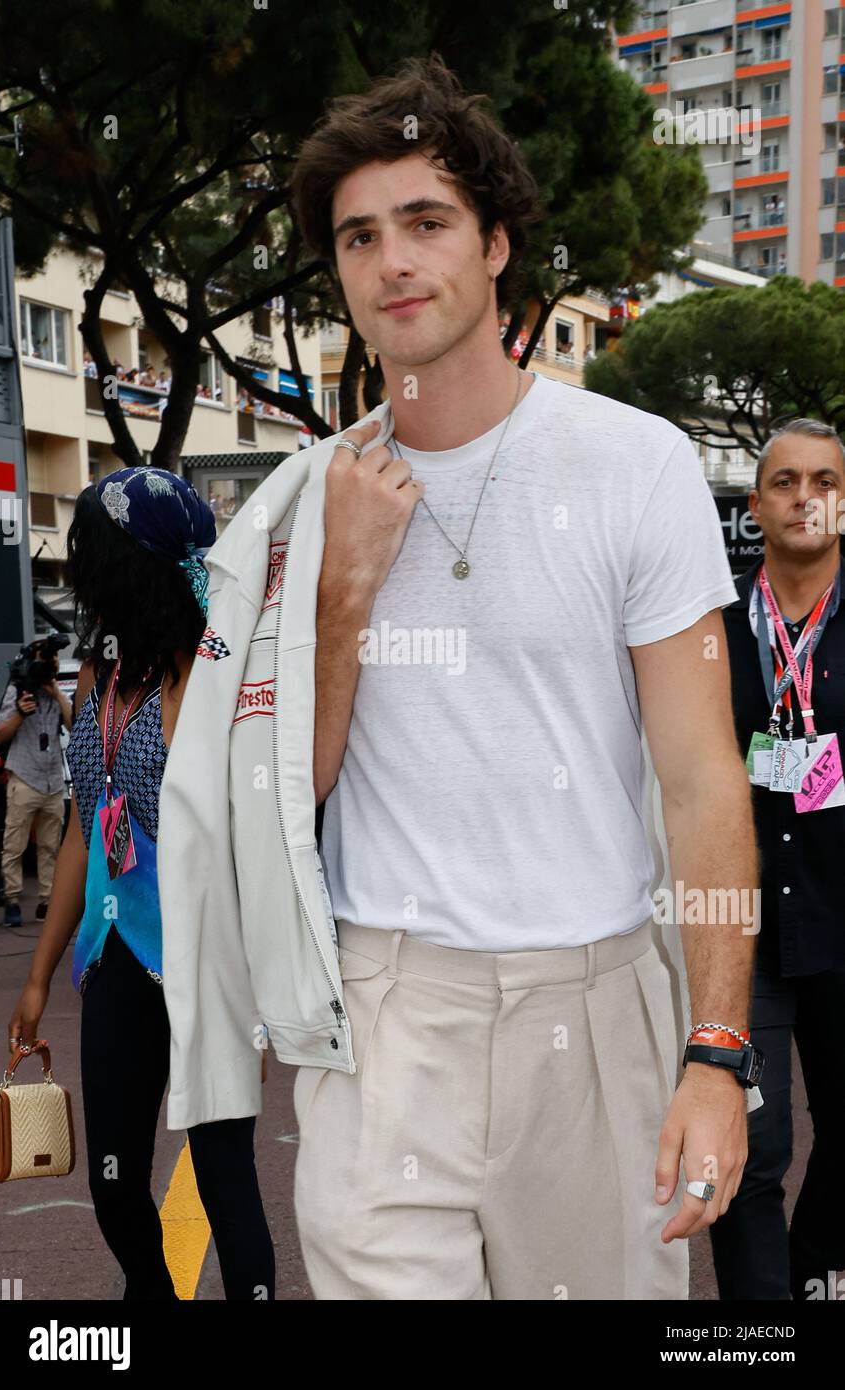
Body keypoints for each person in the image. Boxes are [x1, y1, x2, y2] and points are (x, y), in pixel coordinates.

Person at [281, 53, 760, 1299]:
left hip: (594, 1008)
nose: (391, 262)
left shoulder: (632, 465)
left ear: (494, 245)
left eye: (426, 223)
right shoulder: (309, 501)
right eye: (358, 236)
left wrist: (716, 1052)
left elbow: (704, 782)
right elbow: (291, 789)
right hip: (384, 1014)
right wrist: (341, 599)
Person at [7, 467, 275, 1302]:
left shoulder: (205, 670)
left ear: (135, 562)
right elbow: (89, 824)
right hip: (110, 955)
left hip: (200, 955)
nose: (81, 566)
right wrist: (40, 973)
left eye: (94, 548)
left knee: (225, 1173)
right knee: (115, 1184)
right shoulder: (99, 675)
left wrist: (255, 989)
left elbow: (248, 834)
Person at [712, 418, 845, 1301]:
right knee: (749, 1156)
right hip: (742, 928)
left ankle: (807, 1280)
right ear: (756, 505)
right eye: (787, 481)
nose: (807, 496)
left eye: (826, 481)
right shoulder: (713, 630)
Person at [0, 644, 72, 926]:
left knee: (50, 846)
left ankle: (47, 901)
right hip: (24, 776)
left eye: (53, 661)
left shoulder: (54, 692)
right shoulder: (17, 690)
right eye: (44, 661)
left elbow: (75, 724)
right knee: (14, 844)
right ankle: (12, 899)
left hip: (52, 780)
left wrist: (57, 693)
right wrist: (19, 713)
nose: (50, 666)